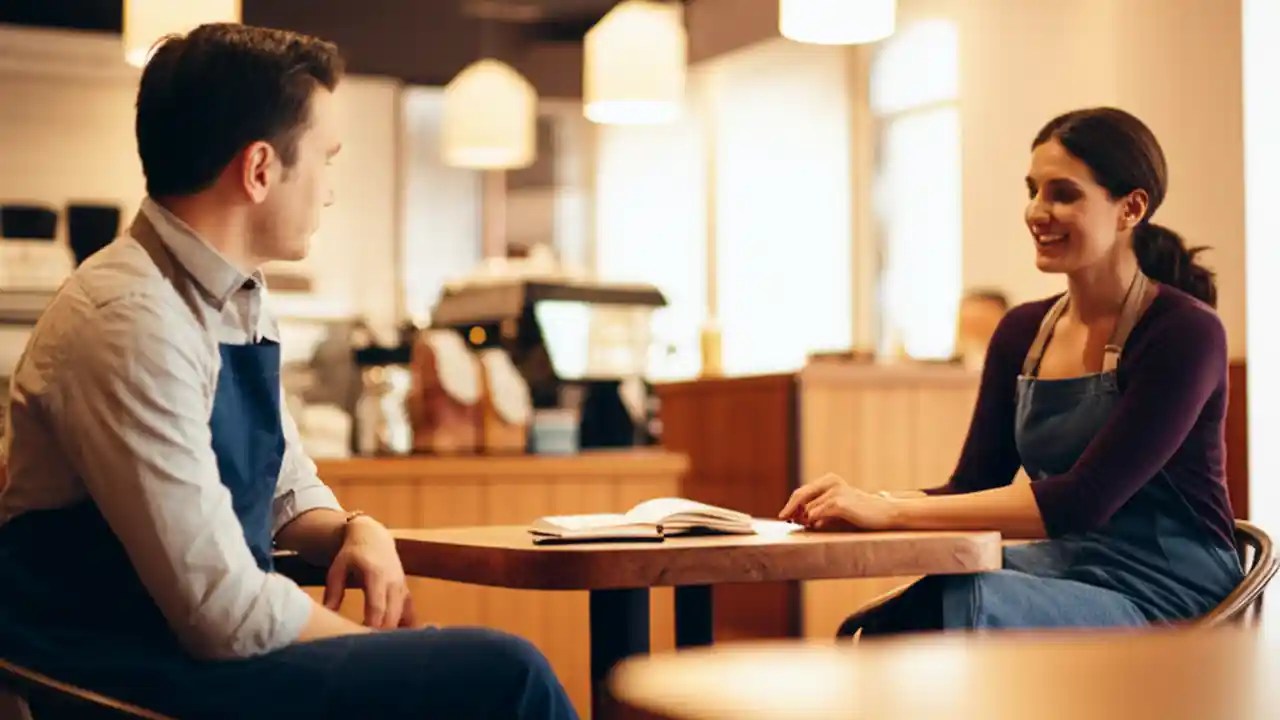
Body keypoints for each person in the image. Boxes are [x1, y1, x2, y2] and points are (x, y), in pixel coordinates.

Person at [0, 23, 576, 719]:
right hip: (117, 672)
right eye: (326, 160)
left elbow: (283, 489)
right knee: (504, 674)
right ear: (261, 170)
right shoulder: (128, 318)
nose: (330, 191)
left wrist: (352, 527)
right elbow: (222, 611)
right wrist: (375, 646)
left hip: (185, 653)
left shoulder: (236, 293)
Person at [780, 107, 1242, 633]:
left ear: (1130, 208)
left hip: (1171, 593)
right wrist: (866, 501)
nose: (1036, 212)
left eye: (1063, 194)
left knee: (960, 604)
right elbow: (972, 486)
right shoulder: (1021, 331)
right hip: (1066, 568)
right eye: (1033, 191)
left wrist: (887, 512)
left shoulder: (1184, 332)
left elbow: (1082, 500)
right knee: (896, 617)